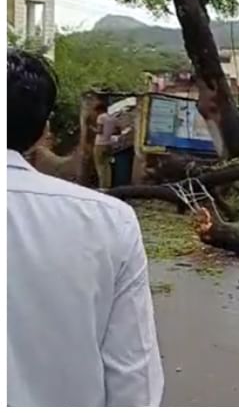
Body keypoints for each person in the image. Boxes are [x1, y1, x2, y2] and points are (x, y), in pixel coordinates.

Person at [7, 48, 164, 406]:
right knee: (101, 171)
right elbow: (134, 384)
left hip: (102, 151)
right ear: (43, 129)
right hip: (102, 152)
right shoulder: (113, 223)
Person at [93, 101, 118, 189]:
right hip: (109, 144)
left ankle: (102, 186)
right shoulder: (113, 118)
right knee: (107, 166)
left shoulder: (101, 117)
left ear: (99, 110)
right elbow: (116, 131)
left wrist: (92, 129)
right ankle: (108, 185)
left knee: (100, 166)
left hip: (100, 143)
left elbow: (99, 131)